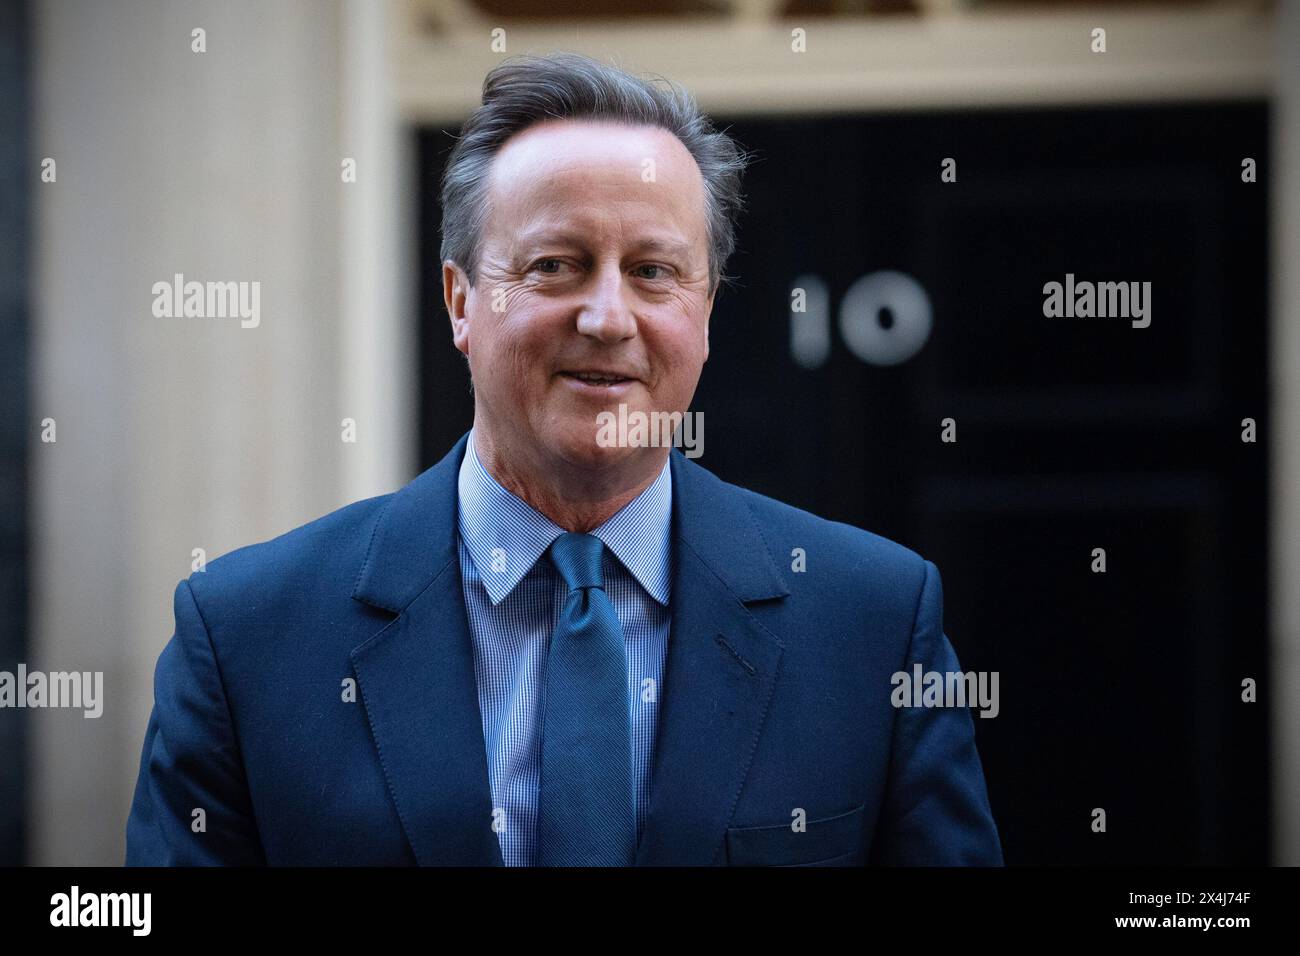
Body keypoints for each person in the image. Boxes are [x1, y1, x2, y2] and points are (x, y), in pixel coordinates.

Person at [126, 51, 1002, 866]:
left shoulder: (874, 625)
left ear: (706, 312)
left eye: (656, 271)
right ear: (460, 300)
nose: (609, 317)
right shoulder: (246, 637)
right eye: (557, 265)